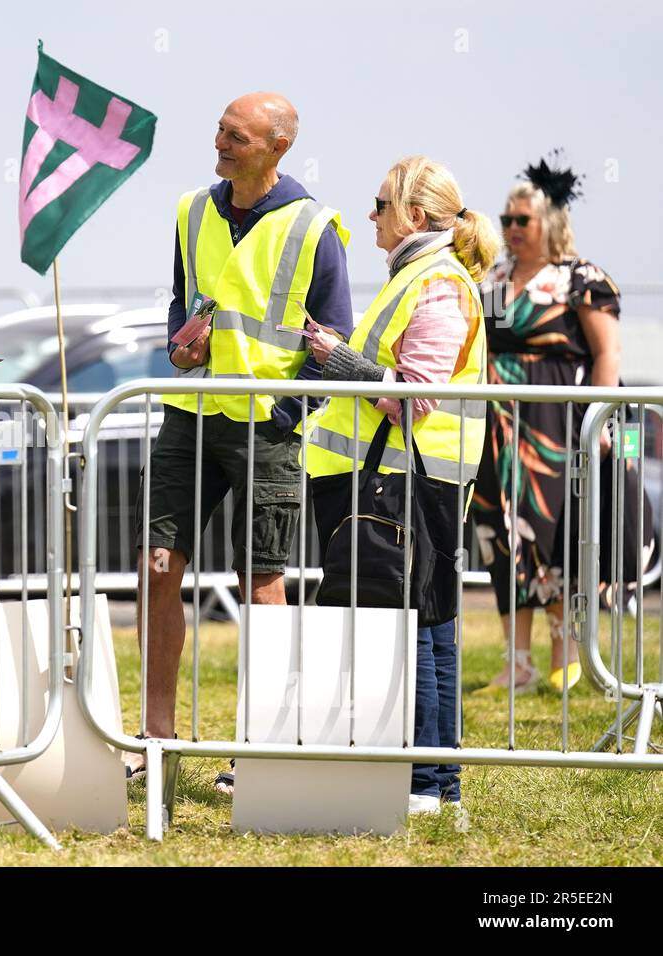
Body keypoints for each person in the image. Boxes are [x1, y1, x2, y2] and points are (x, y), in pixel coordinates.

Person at [128, 92, 352, 791]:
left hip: (266, 428)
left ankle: (260, 745)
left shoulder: (316, 228)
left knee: (259, 581)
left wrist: (290, 413)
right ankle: (155, 740)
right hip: (189, 415)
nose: (221, 144)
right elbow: (181, 300)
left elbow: (334, 343)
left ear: (278, 147)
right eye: (221, 131)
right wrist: (180, 347)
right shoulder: (193, 209)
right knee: (158, 566)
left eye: (238, 137)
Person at [305, 155, 499, 818]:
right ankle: (437, 784)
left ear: (416, 216)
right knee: (431, 625)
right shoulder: (425, 275)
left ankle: (422, 782)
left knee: (409, 627)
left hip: (405, 480)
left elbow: (418, 398)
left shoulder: (438, 282)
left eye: (381, 203)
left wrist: (339, 360)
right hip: (409, 479)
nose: (371, 215)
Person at [471, 154, 641, 694]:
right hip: (497, 431)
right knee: (503, 541)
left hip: (560, 428)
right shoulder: (494, 280)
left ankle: (565, 656)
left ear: (551, 221)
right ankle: (515, 662)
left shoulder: (581, 279)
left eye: (523, 220)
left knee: (560, 539)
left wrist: (601, 421)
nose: (512, 230)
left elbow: (607, 354)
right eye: (506, 221)